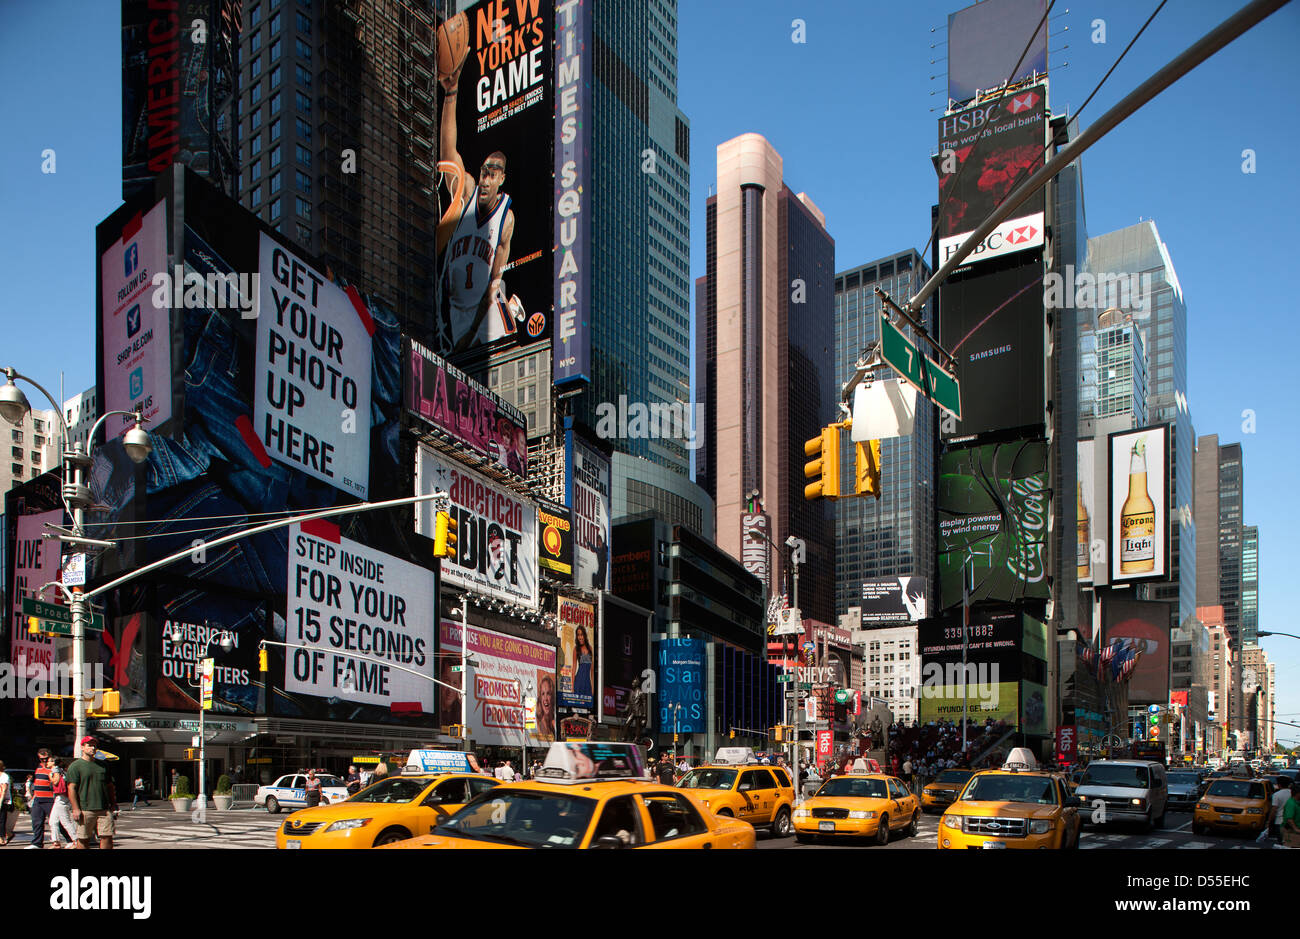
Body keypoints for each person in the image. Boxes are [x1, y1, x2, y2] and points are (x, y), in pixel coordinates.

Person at [436, 56, 518, 355]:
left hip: (488, 318)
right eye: (484, 171)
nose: (485, 179)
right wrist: (450, 93)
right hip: (458, 315)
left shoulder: (505, 219)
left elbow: (493, 282)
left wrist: (471, 333)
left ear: (501, 180)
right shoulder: (467, 192)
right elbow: (447, 155)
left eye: (492, 174)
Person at [66, 736, 117, 850]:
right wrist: (75, 808)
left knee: (107, 837)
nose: (93, 748)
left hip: (104, 809)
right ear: (82, 748)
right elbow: (71, 788)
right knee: (84, 839)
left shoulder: (103, 765)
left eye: (94, 745)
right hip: (85, 809)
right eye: (89, 745)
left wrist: (113, 804)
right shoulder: (75, 766)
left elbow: (110, 786)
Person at [27, 749, 55, 849]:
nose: (43, 760)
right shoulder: (38, 766)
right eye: (41, 759)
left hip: (50, 799)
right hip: (38, 799)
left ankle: (70, 840)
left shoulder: (53, 768)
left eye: (46, 759)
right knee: (36, 822)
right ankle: (37, 843)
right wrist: (33, 796)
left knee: (56, 822)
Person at [48, 760, 76, 849]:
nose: (47, 763)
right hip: (60, 798)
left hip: (61, 798)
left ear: (53, 762)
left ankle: (76, 840)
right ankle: (56, 842)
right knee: (53, 821)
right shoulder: (62, 771)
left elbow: (55, 782)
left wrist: (50, 777)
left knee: (65, 821)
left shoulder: (55, 770)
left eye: (49, 761)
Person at [572, 626, 594, 700]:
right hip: (579, 681)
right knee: (577, 705)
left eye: (581, 635)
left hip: (587, 682)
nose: (580, 637)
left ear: (584, 635)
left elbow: (592, 670)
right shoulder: (576, 649)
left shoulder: (590, 648)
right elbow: (574, 668)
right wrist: (572, 687)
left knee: (588, 707)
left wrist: (593, 687)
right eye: (578, 635)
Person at [1271, 777, 1291, 844]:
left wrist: (1269, 821)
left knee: (1281, 842)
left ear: (1279, 784)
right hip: (1291, 821)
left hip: (1279, 821)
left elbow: (1274, 810)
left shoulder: (1276, 795)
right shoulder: (1293, 794)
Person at [536, 674, 556, 741]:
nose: (545, 699)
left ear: (552, 697)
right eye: (543, 694)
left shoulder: (555, 723)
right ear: (540, 698)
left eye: (548, 693)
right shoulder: (539, 724)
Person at [0, 760, 13, 845]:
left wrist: (0, 802)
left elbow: (4, 790)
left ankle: (1, 838)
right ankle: (9, 834)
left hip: (3, 800)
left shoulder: (4, 776)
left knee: (1, 820)